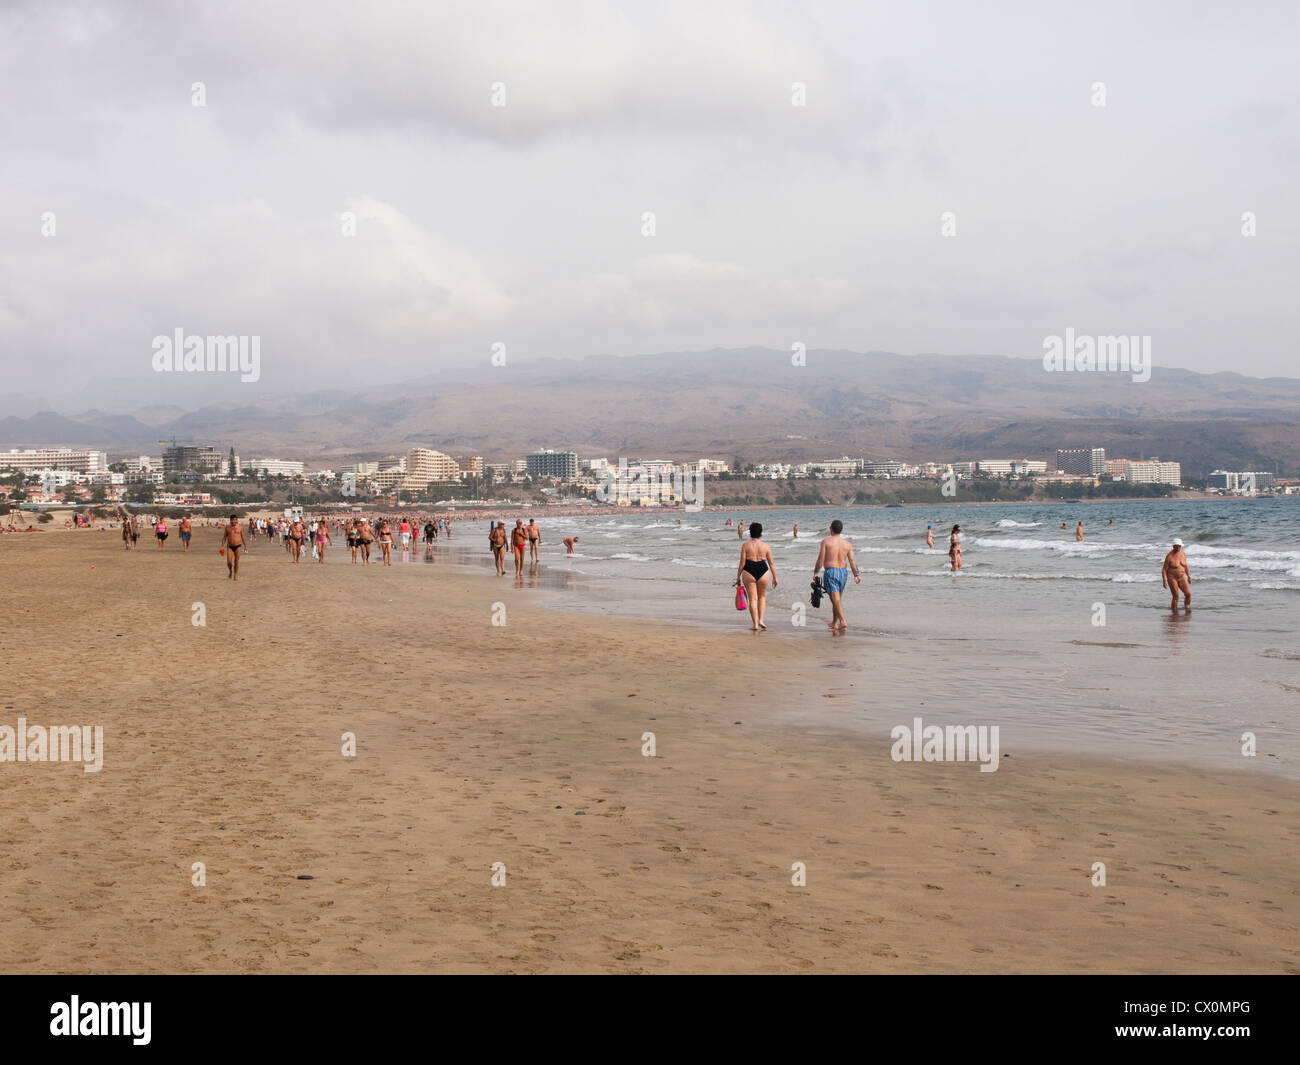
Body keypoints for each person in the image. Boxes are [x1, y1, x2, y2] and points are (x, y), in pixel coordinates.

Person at [813, 519, 860, 632]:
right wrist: (856, 574)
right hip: (843, 573)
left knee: (835, 599)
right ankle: (834, 623)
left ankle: (843, 621)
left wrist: (815, 572)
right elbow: (852, 561)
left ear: (831, 529)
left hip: (831, 572)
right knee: (837, 599)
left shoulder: (826, 542)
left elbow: (821, 559)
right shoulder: (847, 544)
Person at [735, 522, 778, 631]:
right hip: (763, 570)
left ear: (750, 532)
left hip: (749, 570)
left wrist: (738, 576)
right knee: (762, 597)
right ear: (761, 533)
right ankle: (761, 620)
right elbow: (771, 563)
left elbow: (742, 563)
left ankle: (755, 624)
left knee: (753, 599)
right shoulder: (766, 546)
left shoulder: (745, 545)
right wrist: (775, 577)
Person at [1162, 537, 1191, 609]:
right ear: (1173, 546)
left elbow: (1185, 566)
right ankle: (1174, 612)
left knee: (1188, 594)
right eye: (1177, 546)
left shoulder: (1183, 554)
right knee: (1176, 596)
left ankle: (1187, 608)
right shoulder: (1169, 556)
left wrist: (1189, 576)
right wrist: (1164, 581)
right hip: (1172, 578)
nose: (1179, 548)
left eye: (1180, 546)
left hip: (1182, 577)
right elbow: (1164, 569)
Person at [220, 513, 245, 580]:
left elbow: (242, 536)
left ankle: (236, 574)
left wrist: (245, 546)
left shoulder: (240, 527)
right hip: (230, 546)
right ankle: (230, 571)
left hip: (238, 546)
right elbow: (224, 537)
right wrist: (222, 546)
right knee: (229, 562)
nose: (235, 521)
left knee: (236, 561)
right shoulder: (227, 527)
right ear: (231, 520)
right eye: (233, 520)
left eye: (236, 520)